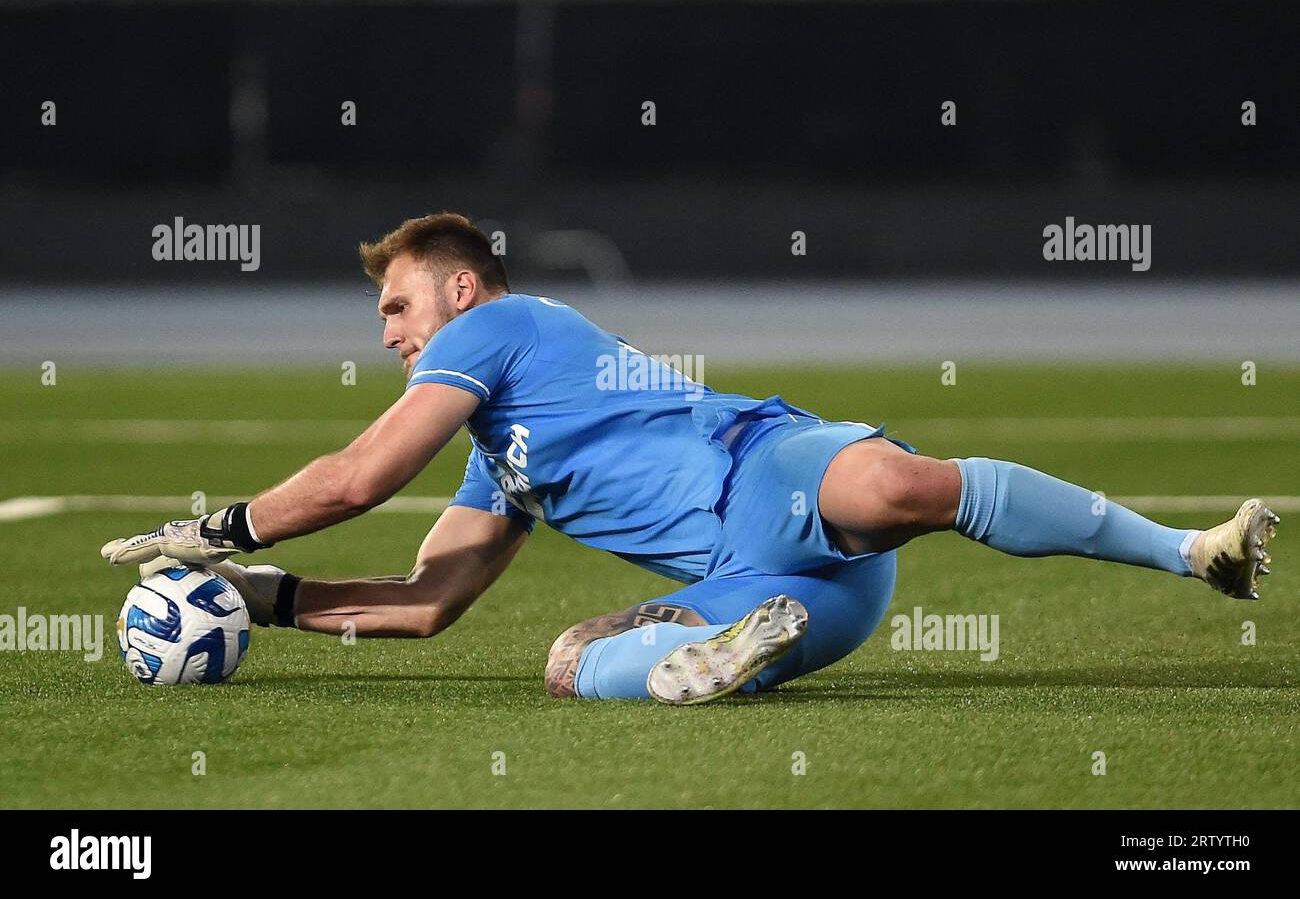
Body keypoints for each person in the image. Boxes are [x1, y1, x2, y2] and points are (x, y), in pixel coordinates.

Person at [100, 213, 1280, 705]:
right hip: (776, 592)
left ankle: (1196, 552)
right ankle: (707, 654)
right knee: (564, 660)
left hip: (764, 470)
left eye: (400, 308)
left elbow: (358, 476)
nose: (393, 332)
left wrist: (229, 529)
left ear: (462, 291)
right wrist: (267, 599)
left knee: (897, 484)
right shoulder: (494, 458)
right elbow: (423, 604)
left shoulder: (503, 328)